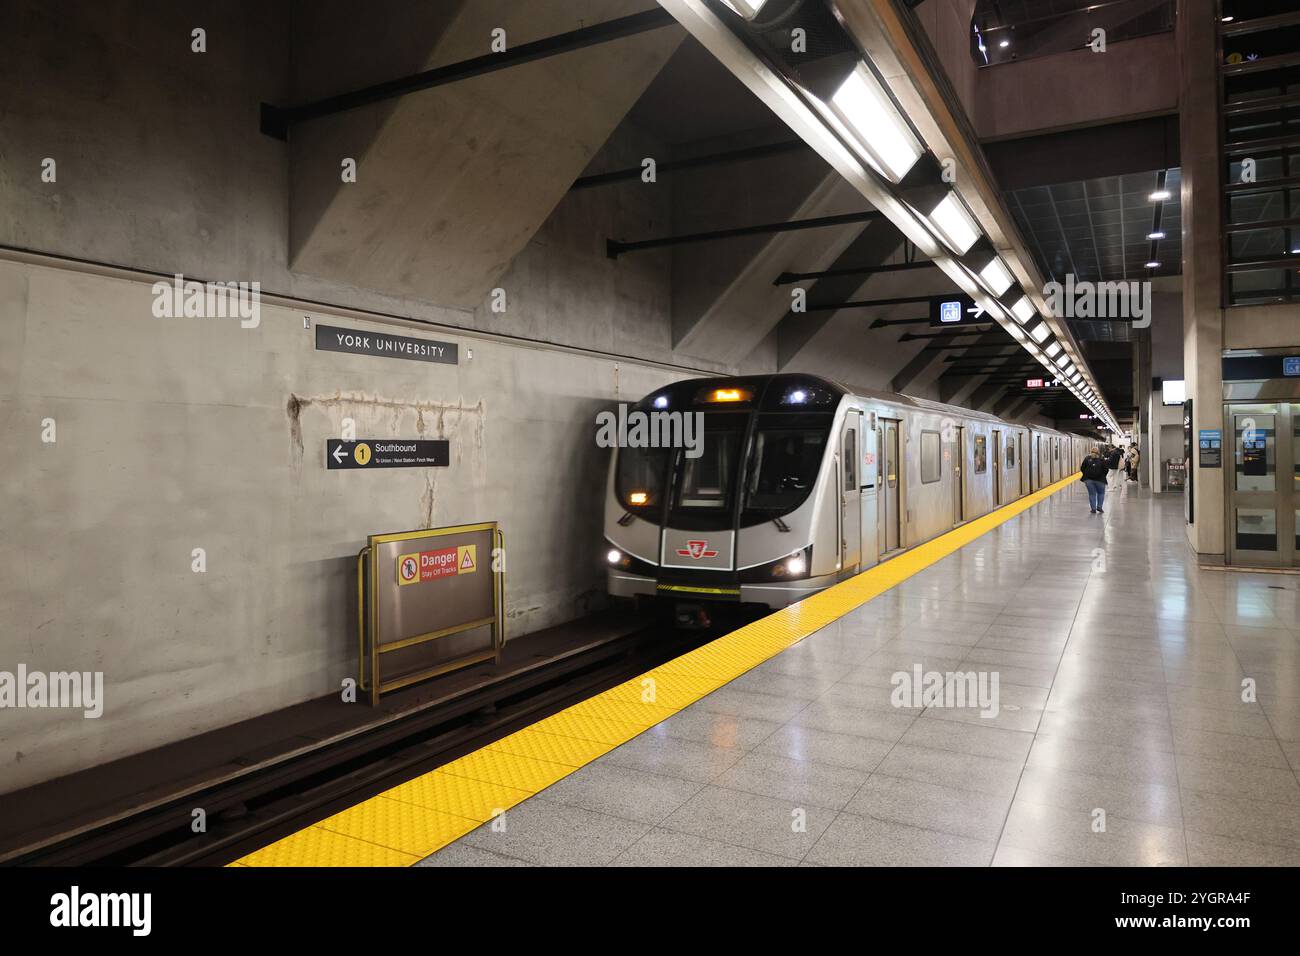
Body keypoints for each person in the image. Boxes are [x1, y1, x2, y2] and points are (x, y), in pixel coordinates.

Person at [1080, 445, 1110, 514]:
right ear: (1098, 453)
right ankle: (1099, 507)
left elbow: (1082, 468)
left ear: (1091, 452)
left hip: (1088, 480)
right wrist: (1102, 476)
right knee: (1101, 493)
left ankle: (1093, 508)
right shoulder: (1102, 459)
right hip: (1100, 480)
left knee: (1092, 494)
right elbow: (1106, 470)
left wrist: (1087, 475)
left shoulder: (1087, 458)